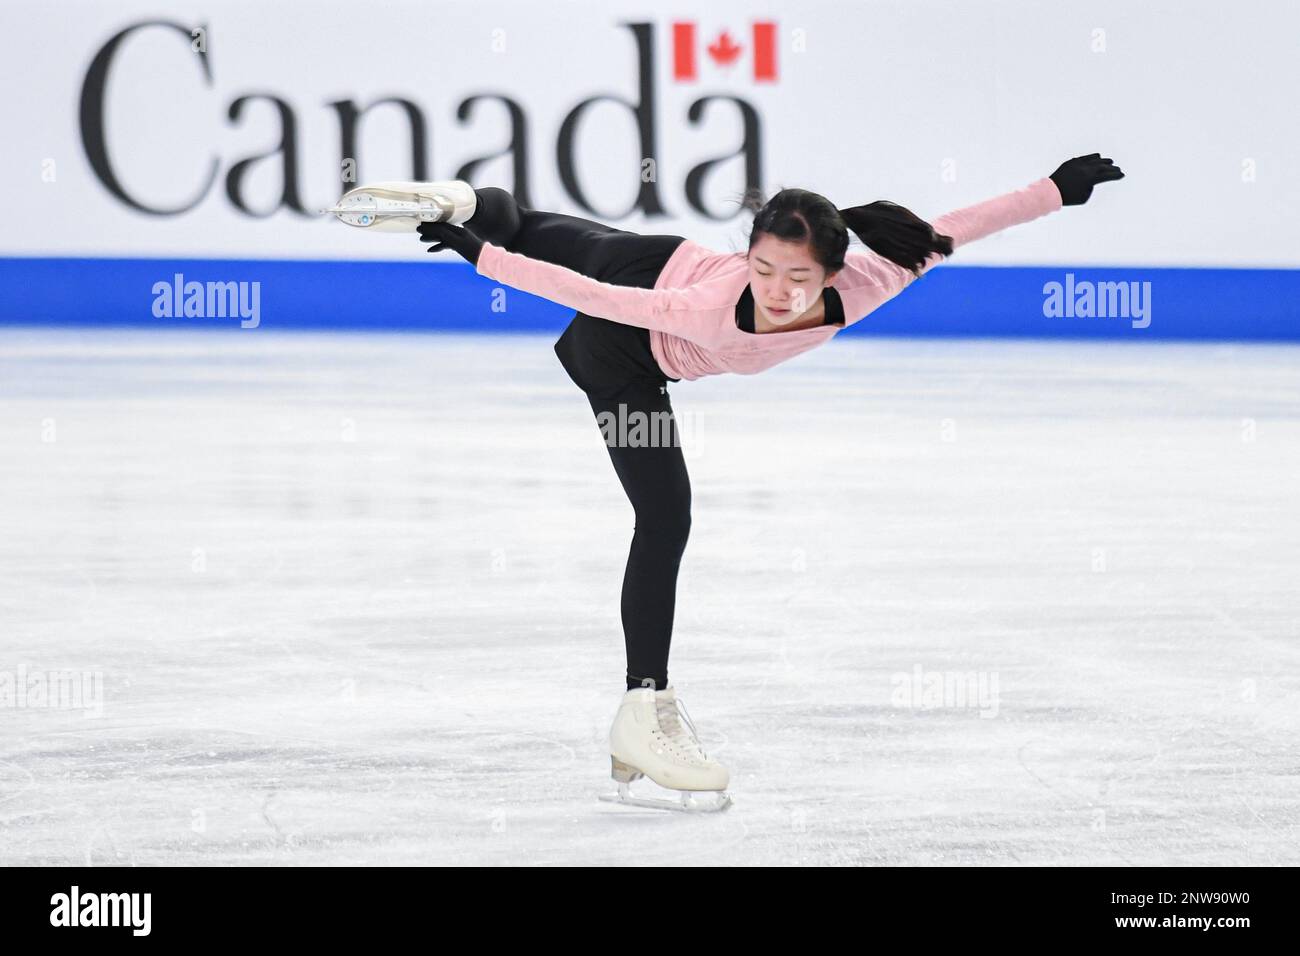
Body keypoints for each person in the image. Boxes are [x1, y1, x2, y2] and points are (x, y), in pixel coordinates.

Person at [410, 153, 1125, 811]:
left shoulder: (874, 280)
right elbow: (595, 299)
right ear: (748, 254)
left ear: (834, 271)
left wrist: (1055, 191)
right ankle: (641, 710)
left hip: (663, 268)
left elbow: (952, 229)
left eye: (799, 278)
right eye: (763, 270)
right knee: (665, 519)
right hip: (622, 344)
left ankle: (467, 202)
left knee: (534, 226)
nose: (779, 293)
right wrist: (485, 259)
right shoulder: (713, 306)